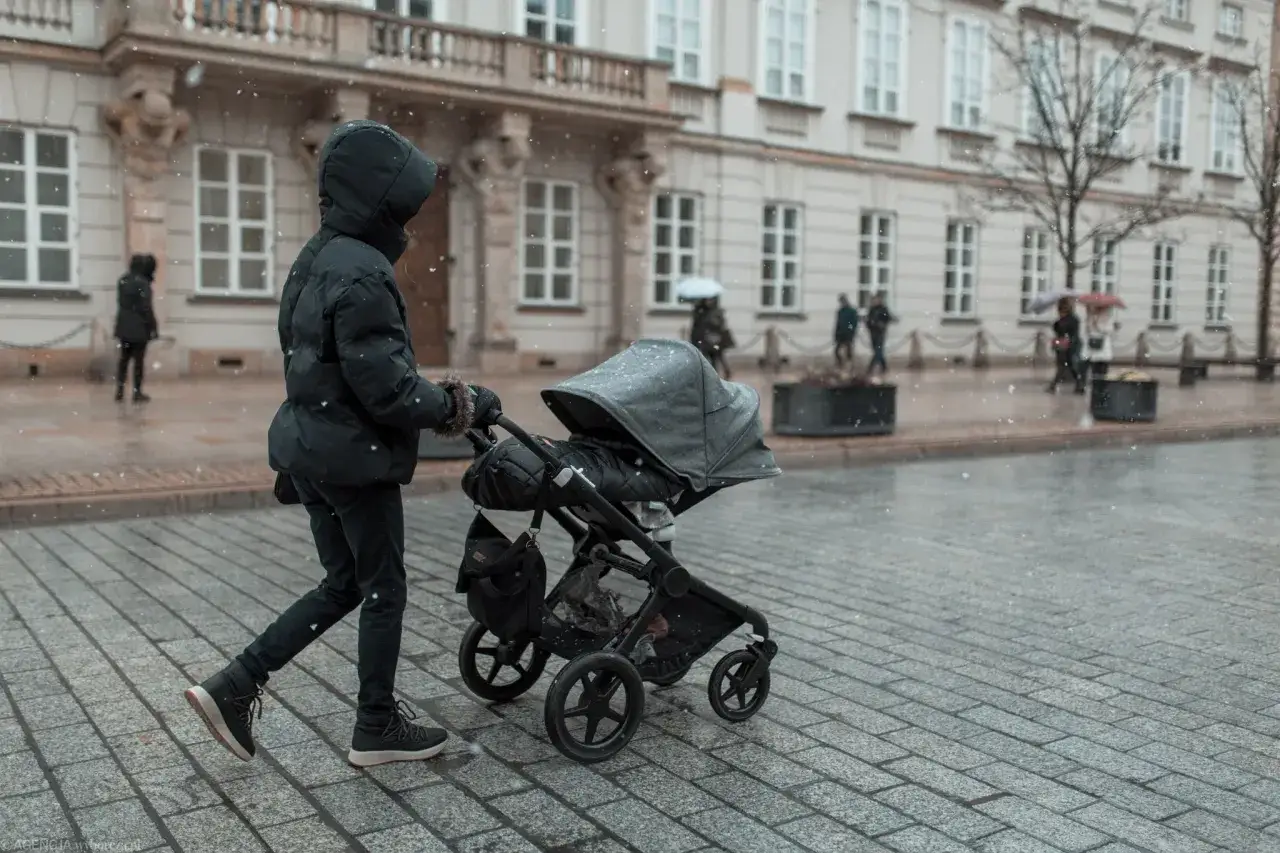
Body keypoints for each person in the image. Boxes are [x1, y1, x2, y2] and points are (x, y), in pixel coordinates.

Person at [184, 120, 503, 769]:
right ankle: (376, 726)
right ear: (378, 202)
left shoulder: (318, 257)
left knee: (341, 582)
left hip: (315, 450)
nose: (409, 224)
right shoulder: (363, 273)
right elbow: (387, 390)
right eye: (402, 208)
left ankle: (236, 684)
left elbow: (321, 362)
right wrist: (462, 404)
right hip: (352, 458)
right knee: (383, 586)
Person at [113, 253, 158, 403]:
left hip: (124, 324)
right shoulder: (143, 283)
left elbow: (121, 301)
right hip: (139, 327)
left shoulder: (123, 280)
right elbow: (146, 307)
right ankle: (137, 392)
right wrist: (153, 327)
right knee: (138, 362)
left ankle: (119, 390)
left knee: (123, 360)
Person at [1048, 296, 1086, 394]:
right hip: (1063, 346)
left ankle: (1079, 385)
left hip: (1071, 346)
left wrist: (1061, 324)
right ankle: (1078, 385)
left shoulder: (1072, 319)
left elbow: (1069, 332)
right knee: (1063, 366)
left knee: (1071, 366)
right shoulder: (1062, 320)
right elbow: (1057, 329)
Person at [690, 296, 734, 379]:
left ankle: (722, 372)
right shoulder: (701, 311)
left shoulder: (716, 311)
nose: (708, 302)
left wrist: (712, 322)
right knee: (710, 355)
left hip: (715, 338)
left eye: (710, 300)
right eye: (707, 300)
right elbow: (696, 325)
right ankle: (716, 373)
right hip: (704, 338)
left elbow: (720, 324)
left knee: (717, 355)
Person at [865, 292, 894, 377]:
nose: (874, 301)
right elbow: (868, 320)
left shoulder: (883, 309)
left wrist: (881, 324)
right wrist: (869, 323)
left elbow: (888, 318)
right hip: (873, 333)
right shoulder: (872, 310)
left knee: (878, 350)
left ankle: (870, 367)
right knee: (877, 350)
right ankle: (884, 366)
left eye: (876, 300)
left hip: (880, 333)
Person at [834, 294, 858, 368]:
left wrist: (851, 330)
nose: (842, 303)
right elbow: (838, 323)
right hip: (841, 334)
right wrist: (836, 334)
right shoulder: (840, 311)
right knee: (837, 351)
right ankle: (841, 364)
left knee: (848, 351)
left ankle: (850, 365)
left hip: (848, 334)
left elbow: (854, 323)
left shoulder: (852, 311)